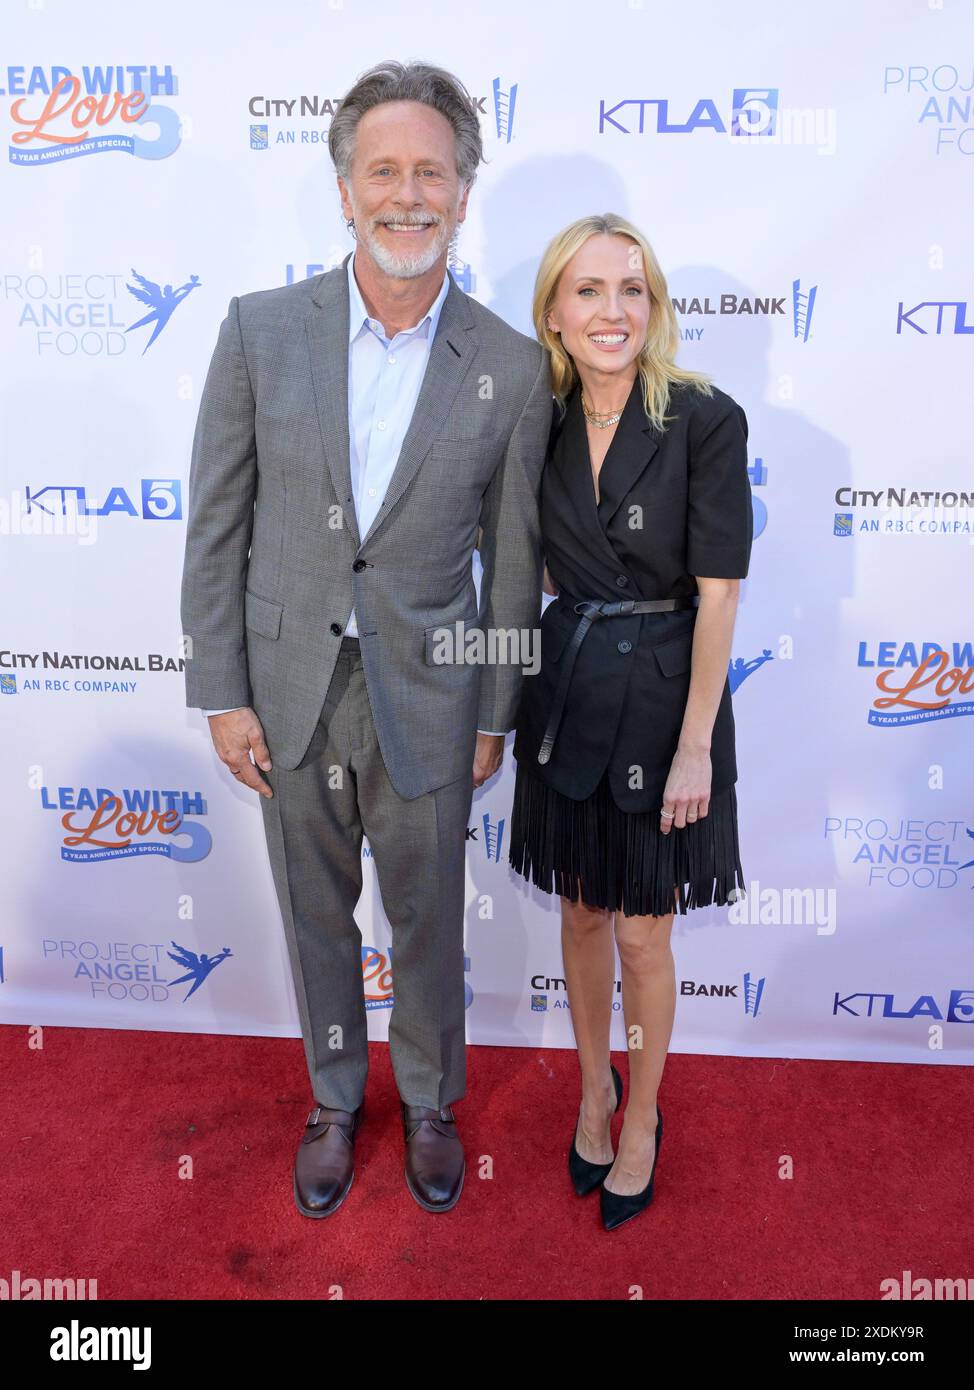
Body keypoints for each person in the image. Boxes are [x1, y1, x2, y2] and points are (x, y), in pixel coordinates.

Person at [180, 60, 551, 1218]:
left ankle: (431, 1100)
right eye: (381, 170)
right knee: (312, 912)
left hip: (434, 697)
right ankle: (336, 1097)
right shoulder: (257, 333)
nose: (406, 194)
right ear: (343, 188)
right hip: (289, 685)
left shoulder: (507, 362)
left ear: (460, 191)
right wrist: (220, 692)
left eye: (429, 172)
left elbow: (515, 556)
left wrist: (496, 709)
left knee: (428, 921)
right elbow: (218, 524)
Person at [509, 213, 753, 1231]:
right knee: (576, 914)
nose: (612, 311)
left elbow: (720, 596)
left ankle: (642, 1115)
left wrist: (695, 742)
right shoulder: (538, 420)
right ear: (554, 313)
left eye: (630, 289)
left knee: (644, 936)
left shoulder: (704, 418)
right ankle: (592, 1089)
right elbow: (524, 571)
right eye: (588, 290)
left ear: (650, 308)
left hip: (664, 704)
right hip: (567, 692)